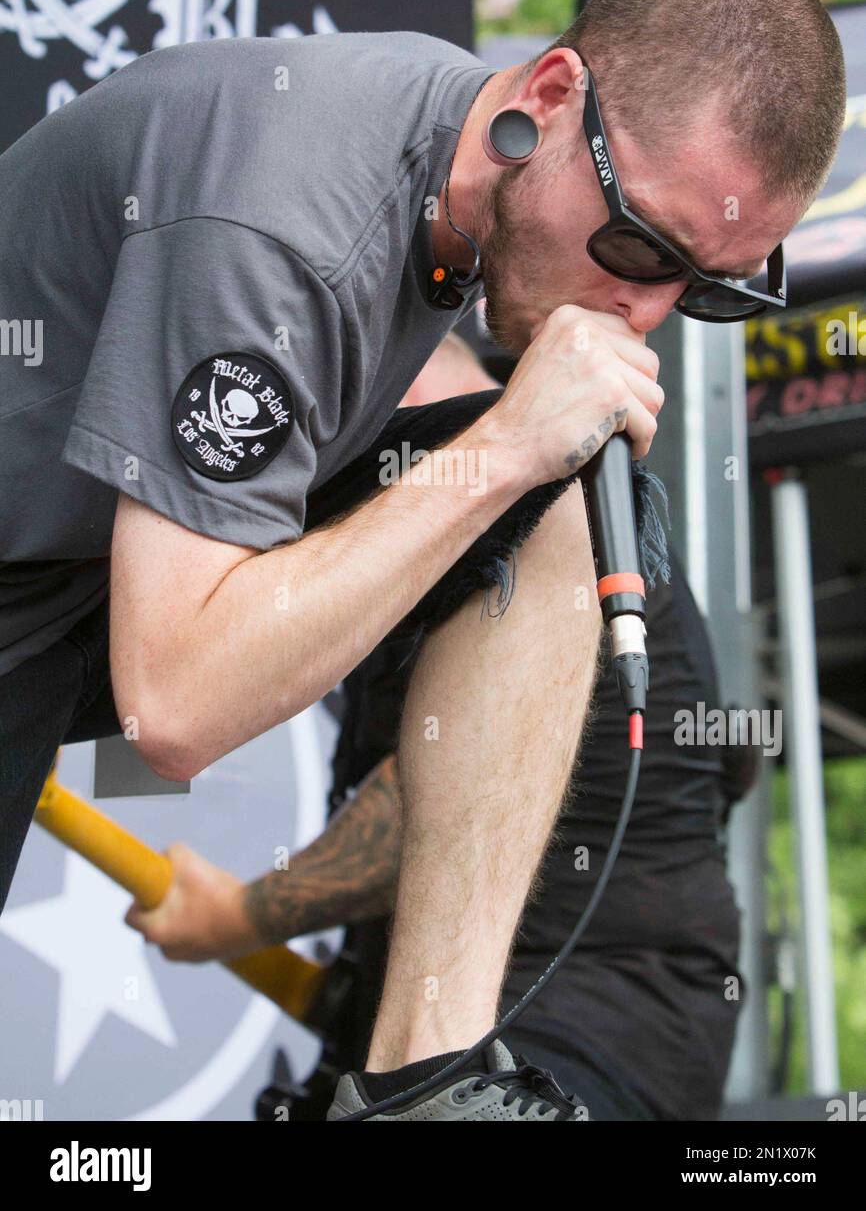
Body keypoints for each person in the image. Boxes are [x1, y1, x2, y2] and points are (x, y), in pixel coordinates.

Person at [0, 0, 844, 1120]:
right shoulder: (284, 216)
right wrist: (501, 444)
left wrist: (514, 460)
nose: (642, 314)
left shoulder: (453, 160)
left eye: (703, 290)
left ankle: (424, 1084)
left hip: (62, 592)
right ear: (548, 97)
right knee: (526, 461)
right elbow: (173, 710)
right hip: (33, 602)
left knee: (550, 487)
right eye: (639, 248)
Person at [128, 335, 753, 1122]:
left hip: (594, 1013)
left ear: (399, 378)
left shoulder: (545, 500)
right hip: (443, 1034)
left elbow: (431, 797)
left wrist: (238, 917)